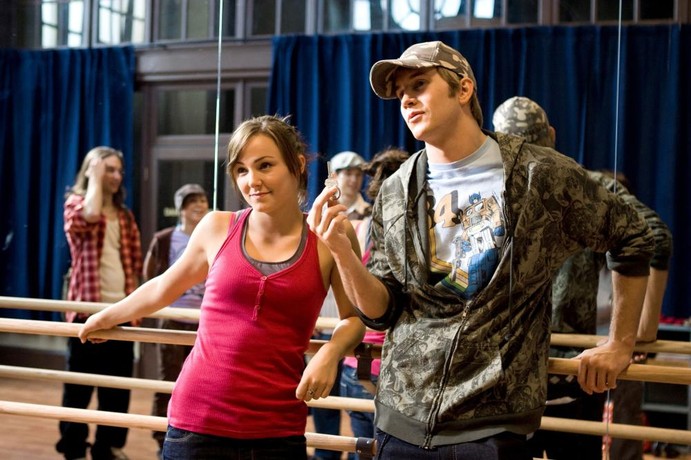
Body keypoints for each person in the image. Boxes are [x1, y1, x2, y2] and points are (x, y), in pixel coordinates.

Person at [307, 40, 655, 460]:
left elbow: (633, 235)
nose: (407, 100)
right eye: (400, 94)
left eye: (419, 85)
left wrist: (620, 343)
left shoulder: (539, 174)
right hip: (401, 418)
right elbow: (382, 310)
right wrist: (342, 252)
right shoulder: (397, 189)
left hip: (493, 423)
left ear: (463, 88)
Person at [77, 115, 366, 460]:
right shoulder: (216, 226)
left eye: (265, 165)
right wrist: (107, 316)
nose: (252, 181)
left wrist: (330, 353)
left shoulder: (330, 235)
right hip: (197, 421)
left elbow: (354, 318)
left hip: (278, 426)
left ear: (298, 165)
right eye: (241, 170)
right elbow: (163, 287)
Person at [492, 96, 673, 460]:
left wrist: (638, 332)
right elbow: (655, 237)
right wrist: (641, 331)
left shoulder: (487, 191)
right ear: (551, 135)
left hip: (514, 371)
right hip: (570, 368)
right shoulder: (587, 185)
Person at [57, 146, 143, 460]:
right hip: (86, 312)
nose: (117, 176)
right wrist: (94, 178)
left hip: (120, 313)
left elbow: (134, 265)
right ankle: (73, 447)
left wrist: (135, 309)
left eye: (120, 170)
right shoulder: (76, 204)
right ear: (92, 170)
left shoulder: (124, 215)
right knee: (78, 387)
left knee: (117, 389)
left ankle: (108, 447)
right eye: (109, 169)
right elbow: (89, 216)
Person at [339, 147, 409, 460]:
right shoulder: (411, 239)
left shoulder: (363, 232)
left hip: (357, 364)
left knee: (365, 451)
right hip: (391, 368)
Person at [143, 183, 209, 457]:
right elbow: (150, 275)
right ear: (181, 208)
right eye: (192, 201)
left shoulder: (212, 236)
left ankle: (196, 436)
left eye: (203, 200)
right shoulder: (165, 238)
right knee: (167, 380)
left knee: (202, 382)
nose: (199, 205)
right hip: (172, 319)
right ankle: (162, 438)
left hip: (204, 323)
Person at [311, 150, 370, 460]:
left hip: (356, 319)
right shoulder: (315, 216)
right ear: (333, 177)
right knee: (322, 402)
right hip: (321, 316)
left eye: (358, 173)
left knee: (358, 404)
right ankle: (325, 455)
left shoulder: (372, 214)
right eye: (347, 172)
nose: (353, 178)